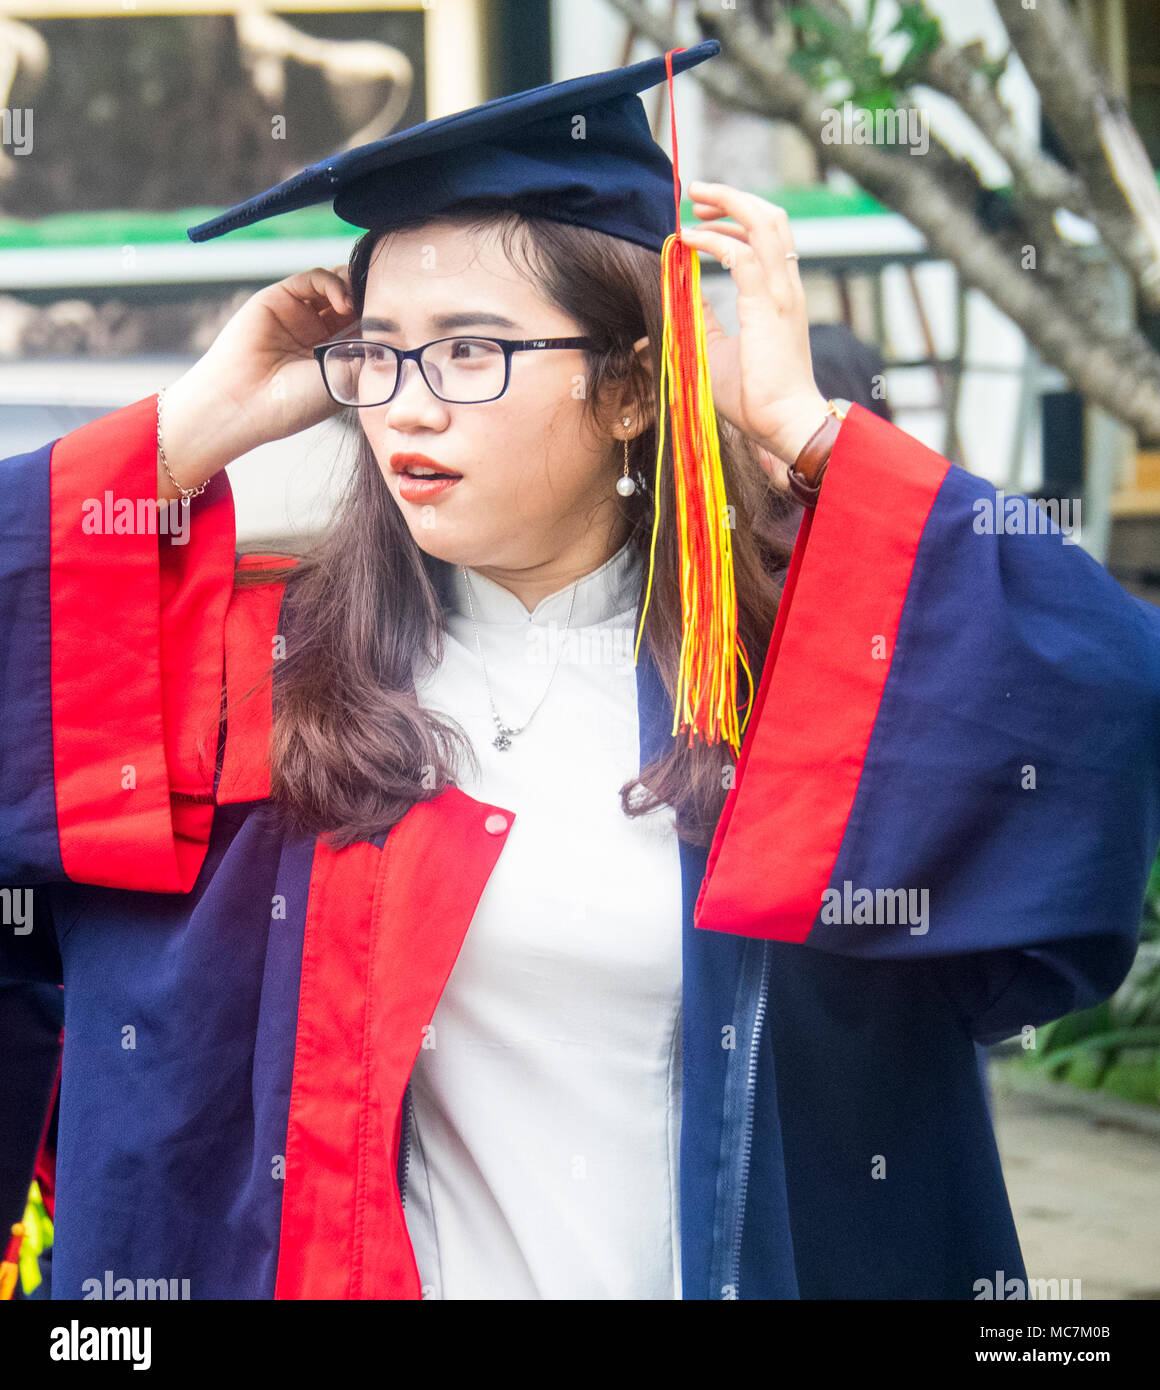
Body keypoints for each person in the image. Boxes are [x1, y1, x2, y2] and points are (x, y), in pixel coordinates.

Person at [1, 38, 1158, 1302]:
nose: (404, 405)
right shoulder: (259, 683)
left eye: (467, 350)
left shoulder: (803, 696)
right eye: (377, 351)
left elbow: (1097, 693)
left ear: (627, 388)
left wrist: (810, 430)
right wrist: (180, 436)